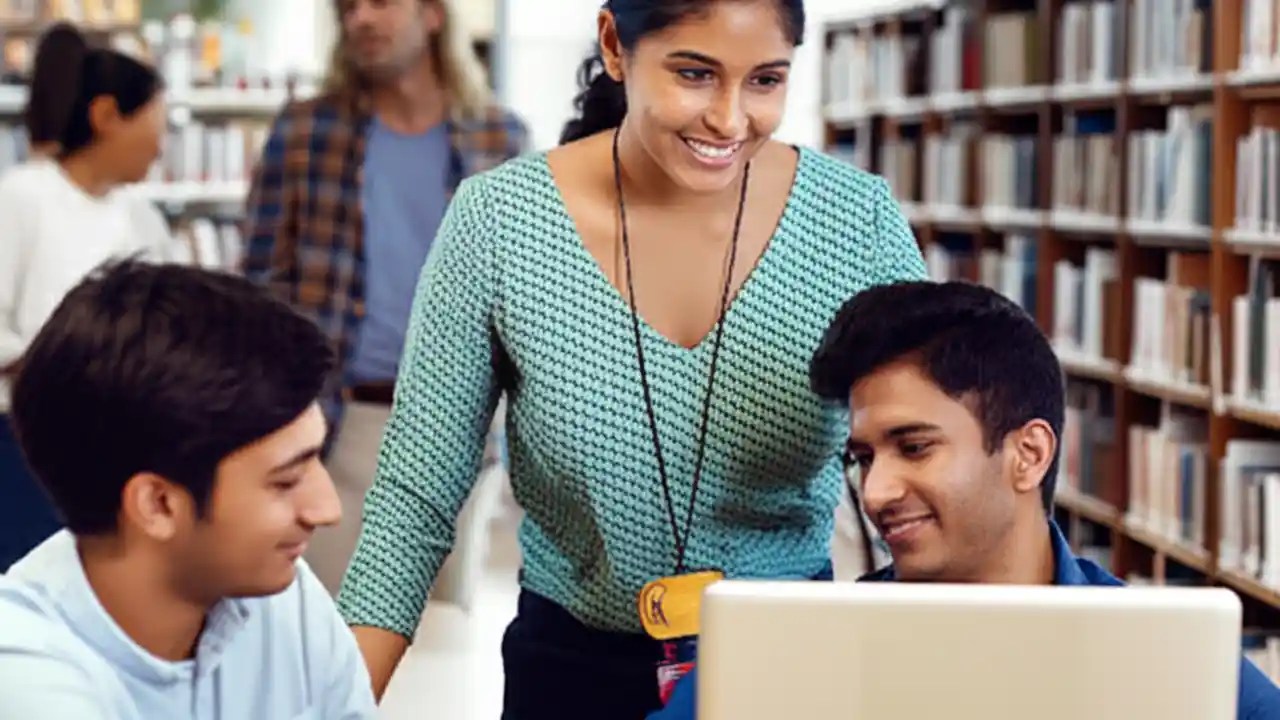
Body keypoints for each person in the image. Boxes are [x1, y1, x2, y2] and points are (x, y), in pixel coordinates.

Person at [336, 0, 929, 716]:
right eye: (694, 74)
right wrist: (339, 705)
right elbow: (415, 495)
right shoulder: (498, 223)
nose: (730, 120)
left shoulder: (855, 222)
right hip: (569, 673)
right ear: (615, 46)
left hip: (790, 668)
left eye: (766, 80)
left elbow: (940, 455)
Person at [649, 280, 1280, 720]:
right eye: (864, 458)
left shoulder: (1168, 659)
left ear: (1028, 454)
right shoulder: (795, 650)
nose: (876, 492)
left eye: (914, 447)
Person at [0, 260, 377, 720]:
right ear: (158, 504)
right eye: (285, 481)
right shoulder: (25, 675)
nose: (327, 509)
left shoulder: (284, 600)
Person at [243, 0, 528, 596]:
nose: (361, 20)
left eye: (380, 4)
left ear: (432, 16)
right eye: (348, 8)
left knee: (443, 633)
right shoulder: (306, 132)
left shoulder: (499, 137)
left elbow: (526, 297)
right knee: (332, 625)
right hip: (340, 424)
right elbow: (258, 287)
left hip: (458, 431)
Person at [0, 23, 176, 571]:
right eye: (154, 125)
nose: (161, 145)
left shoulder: (143, 218)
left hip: (121, 443)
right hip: (23, 444)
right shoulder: (22, 197)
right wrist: (59, 361)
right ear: (106, 116)